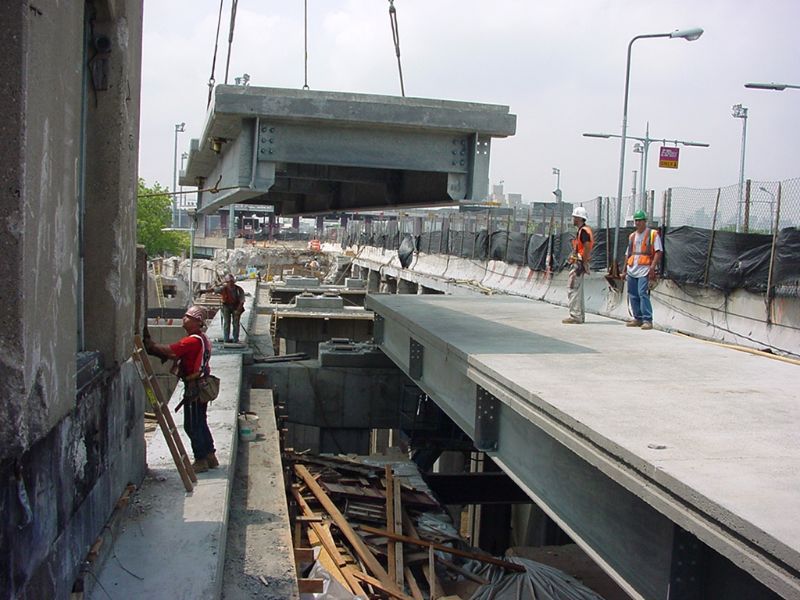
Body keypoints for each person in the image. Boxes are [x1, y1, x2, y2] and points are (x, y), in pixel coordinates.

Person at [145, 306, 217, 473]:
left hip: (195, 387)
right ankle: (210, 456)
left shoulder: (191, 341)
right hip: (202, 385)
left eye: (188, 317)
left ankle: (201, 459)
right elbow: (175, 355)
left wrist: (150, 346)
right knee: (200, 421)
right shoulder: (202, 339)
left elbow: (170, 350)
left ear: (197, 322)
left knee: (191, 425)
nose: (184, 319)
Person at [622, 211, 663, 330]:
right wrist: (624, 270)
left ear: (645, 221)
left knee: (642, 293)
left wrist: (652, 267)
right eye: (636, 221)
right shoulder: (632, 236)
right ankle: (637, 318)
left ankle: (647, 319)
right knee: (633, 294)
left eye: (640, 220)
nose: (638, 223)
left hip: (644, 269)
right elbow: (627, 254)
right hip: (632, 269)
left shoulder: (652, 234)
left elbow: (658, 251)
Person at [562, 206, 594, 324]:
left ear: (579, 218)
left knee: (573, 288)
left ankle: (575, 316)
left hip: (579, 263)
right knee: (577, 290)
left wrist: (583, 262)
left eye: (575, 217)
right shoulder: (583, 230)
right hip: (579, 261)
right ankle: (579, 316)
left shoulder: (584, 231)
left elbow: (586, 247)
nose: (573, 219)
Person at [219, 273, 245, 343]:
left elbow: (242, 300)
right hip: (226, 307)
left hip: (236, 307)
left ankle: (235, 339)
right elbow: (214, 290)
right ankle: (226, 339)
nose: (230, 283)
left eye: (231, 282)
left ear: (233, 282)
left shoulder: (239, 289)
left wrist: (238, 310)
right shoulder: (223, 289)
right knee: (226, 323)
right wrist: (203, 291)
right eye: (228, 282)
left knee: (236, 323)